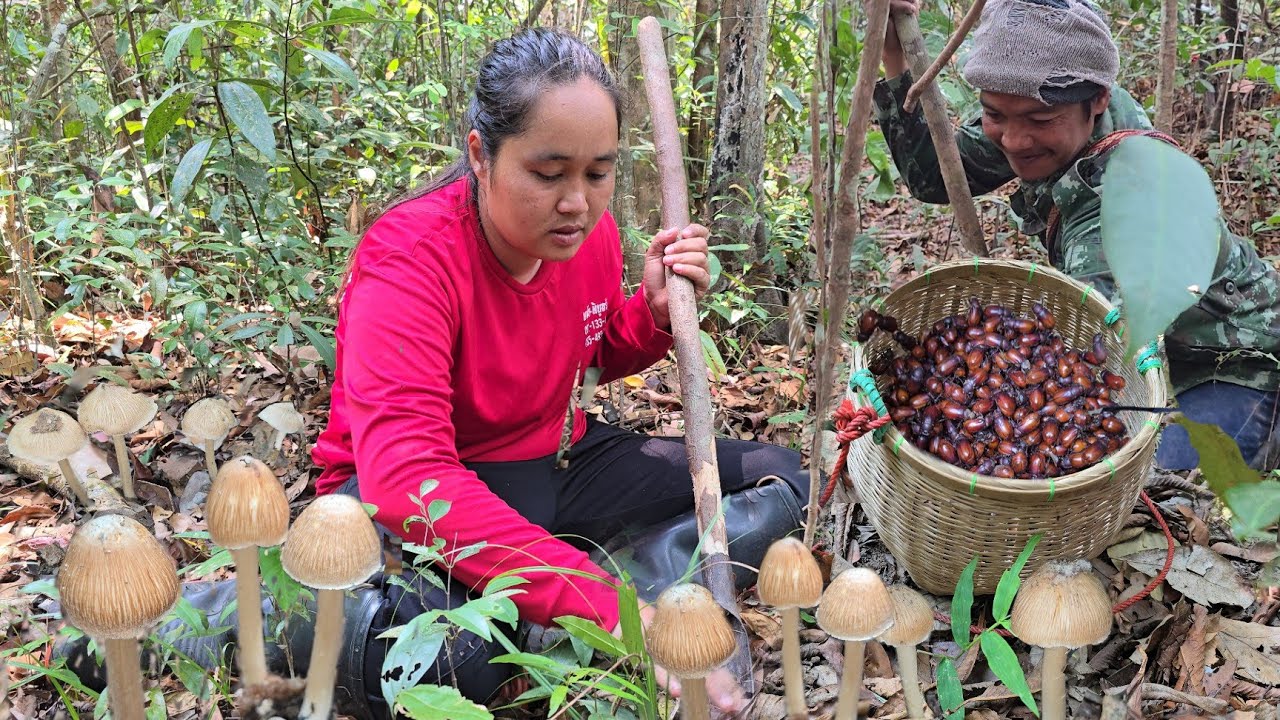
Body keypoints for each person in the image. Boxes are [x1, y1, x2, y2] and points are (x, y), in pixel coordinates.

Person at [61, 28, 808, 720]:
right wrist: (604, 607)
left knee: (780, 480)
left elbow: (590, 351)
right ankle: (225, 619)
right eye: (548, 173)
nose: (577, 202)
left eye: (599, 173)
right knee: (449, 664)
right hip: (409, 500)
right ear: (481, 155)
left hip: (551, 465)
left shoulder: (592, 234)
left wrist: (652, 314)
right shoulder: (410, 259)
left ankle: (572, 597)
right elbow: (407, 478)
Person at [872, 0, 1280, 470]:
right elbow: (937, 177)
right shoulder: (1055, 107)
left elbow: (1088, 356)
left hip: (1236, 365)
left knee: (1142, 485)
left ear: (1099, 99)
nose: (1014, 140)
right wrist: (894, 55)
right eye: (994, 114)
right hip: (1163, 348)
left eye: (1038, 121)